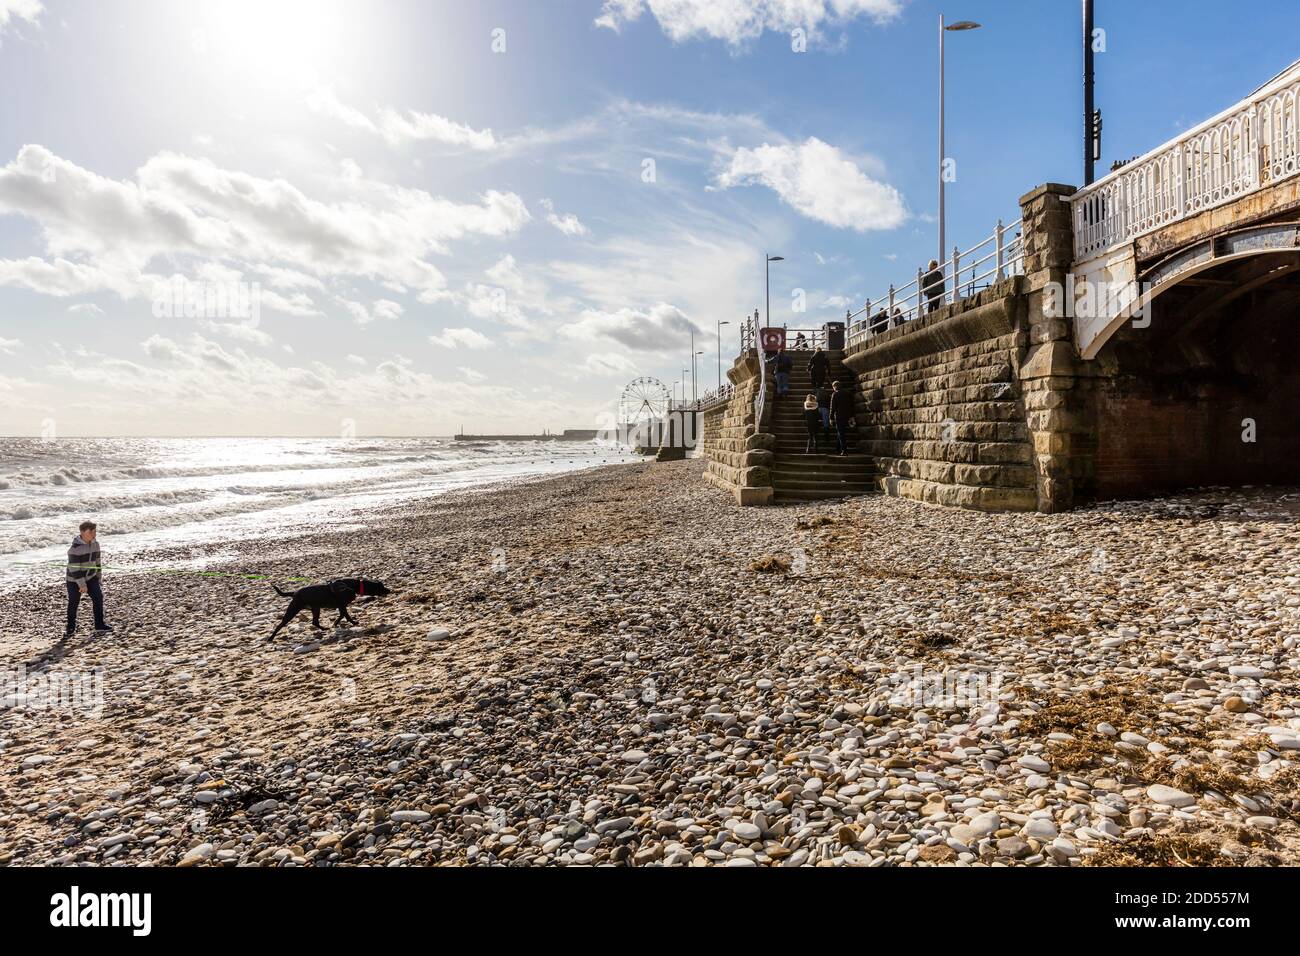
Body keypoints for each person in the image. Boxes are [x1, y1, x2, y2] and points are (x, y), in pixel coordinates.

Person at [66, 520, 111, 638]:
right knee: (73, 603)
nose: (93, 534)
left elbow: (97, 562)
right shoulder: (74, 549)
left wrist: (98, 578)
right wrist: (81, 585)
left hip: (91, 577)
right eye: (90, 532)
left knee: (98, 598)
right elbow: (74, 570)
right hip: (74, 580)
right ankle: (70, 628)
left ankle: (99, 625)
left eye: (95, 531)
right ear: (82, 532)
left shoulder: (96, 544)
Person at [829, 380, 856, 456]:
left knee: (841, 433)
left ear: (835, 387)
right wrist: (852, 416)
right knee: (841, 432)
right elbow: (852, 405)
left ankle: (844, 450)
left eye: (833, 387)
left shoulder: (835, 394)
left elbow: (832, 407)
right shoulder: (848, 394)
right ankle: (837, 449)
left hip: (839, 416)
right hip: (847, 416)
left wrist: (831, 418)